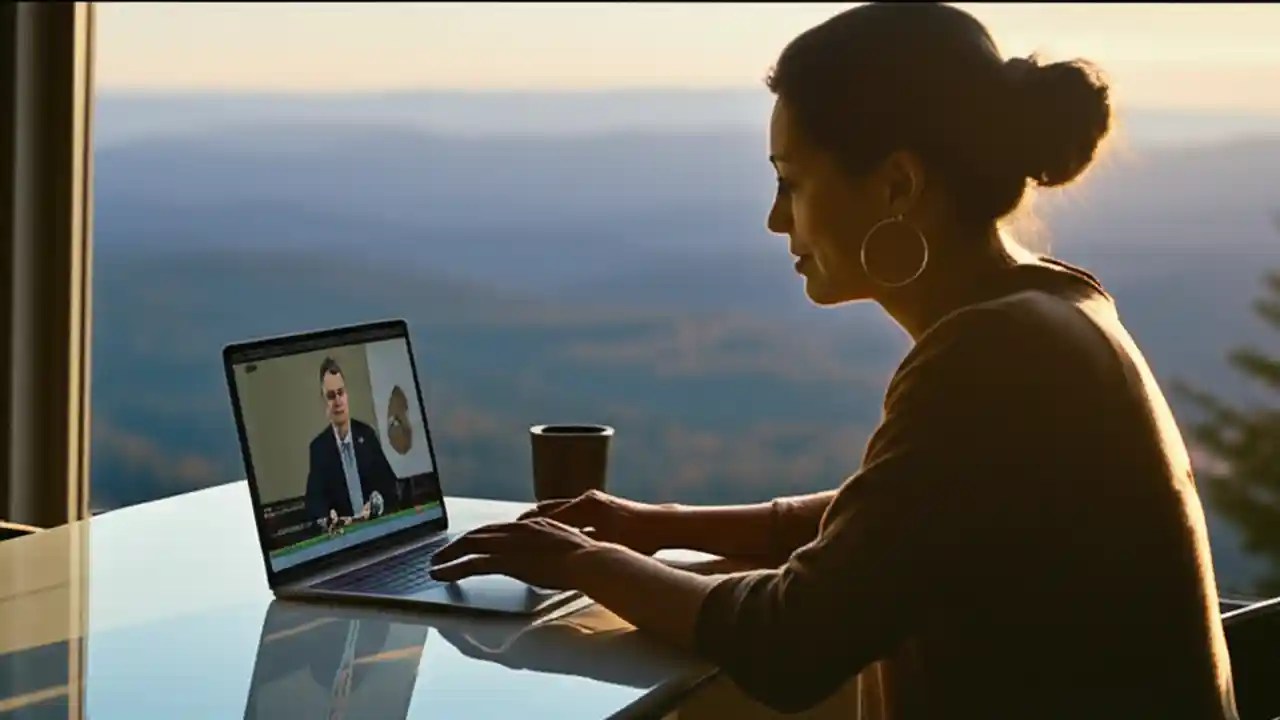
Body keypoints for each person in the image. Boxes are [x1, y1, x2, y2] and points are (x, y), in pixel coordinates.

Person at [429, 3, 1238, 718]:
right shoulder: (1056, 308)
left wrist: (584, 562)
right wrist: (656, 527)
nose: (777, 219)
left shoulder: (995, 353)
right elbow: (890, 519)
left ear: (896, 185)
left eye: (792, 182)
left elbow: (791, 640)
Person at [304, 357, 400, 535]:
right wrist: (327, 518)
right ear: (324, 401)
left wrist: (375, 504)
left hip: (376, 529)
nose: (338, 401)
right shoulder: (318, 448)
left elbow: (390, 487)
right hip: (344, 537)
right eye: (331, 396)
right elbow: (314, 504)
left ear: (347, 395)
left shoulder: (367, 435)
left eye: (341, 393)